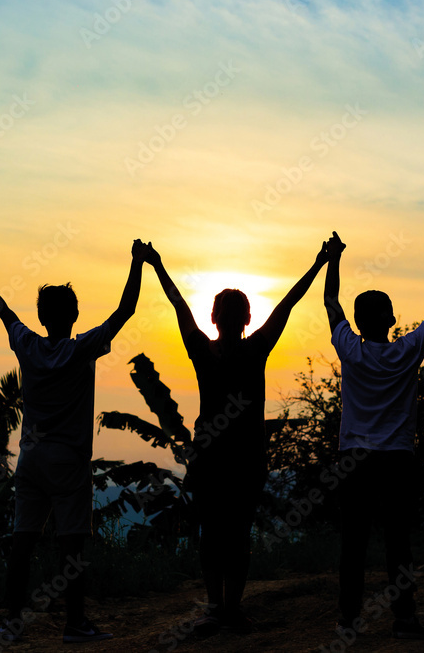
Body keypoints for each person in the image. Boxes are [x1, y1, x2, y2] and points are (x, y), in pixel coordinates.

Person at [0, 239, 147, 644]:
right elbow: (125, 311)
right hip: (68, 460)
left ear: (41, 317)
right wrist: (137, 263)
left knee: (23, 541)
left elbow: (3, 311)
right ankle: (75, 623)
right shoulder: (81, 349)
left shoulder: (27, 344)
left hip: (30, 459)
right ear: (76, 315)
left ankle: (11, 623)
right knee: (71, 545)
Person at [145, 240, 328, 634]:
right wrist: (318, 264)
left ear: (214, 318)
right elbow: (288, 304)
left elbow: (178, 304)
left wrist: (157, 265)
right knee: (237, 533)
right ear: (247, 318)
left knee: (212, 533)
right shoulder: (256, 350)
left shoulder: (203, 351)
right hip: (246, 459)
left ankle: (216, 607)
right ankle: (230, 608)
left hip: (211, 458)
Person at [322, 231, 424, 641]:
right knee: (398, 542)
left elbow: (330, 302)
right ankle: (404, 618)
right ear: (390, 320)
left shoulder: (350, 348)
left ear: (360, 322)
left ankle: (347, 621)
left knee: (353, 544)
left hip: (354, 458)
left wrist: (333, 259)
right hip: (398, 458)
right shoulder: (407, 351)